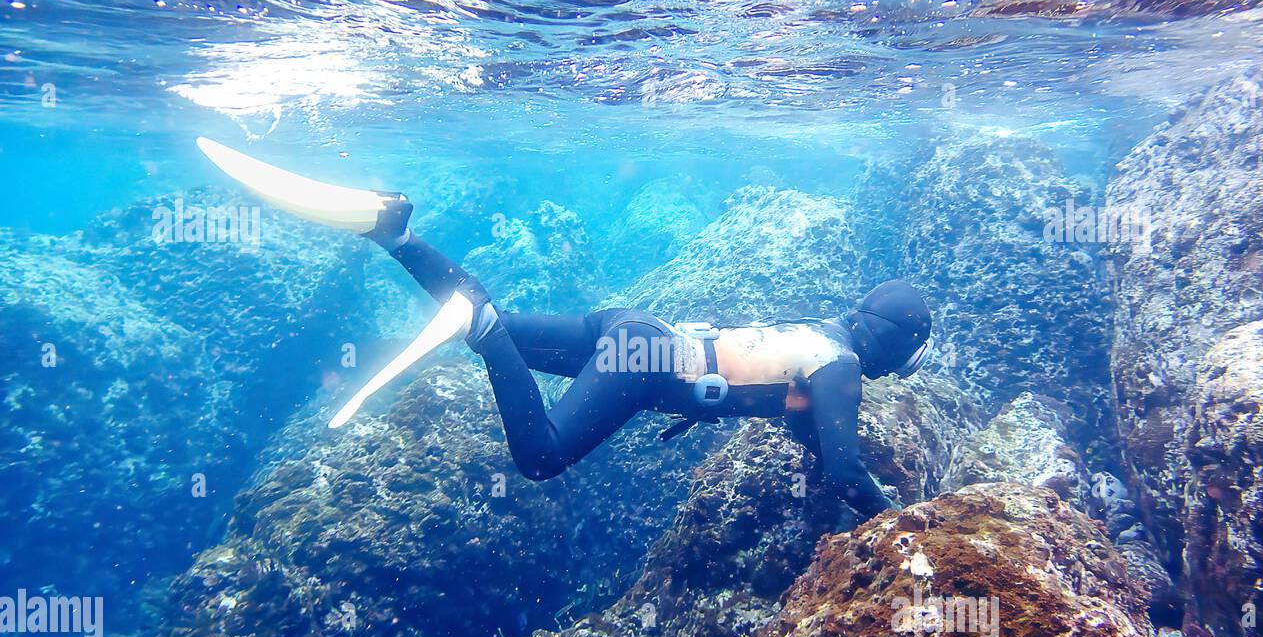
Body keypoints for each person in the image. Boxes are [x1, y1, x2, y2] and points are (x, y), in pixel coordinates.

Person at [197, 138, 933, 519]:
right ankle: (480, 327)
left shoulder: (821, 335)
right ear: (896, 349)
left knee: (499, 323)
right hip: (645, 363)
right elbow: (843, 472)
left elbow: (803, 423)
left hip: (635, 328)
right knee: (541, 456)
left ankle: (396, 234)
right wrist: (907, 522)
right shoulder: (839, 369)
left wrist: (831, 449)